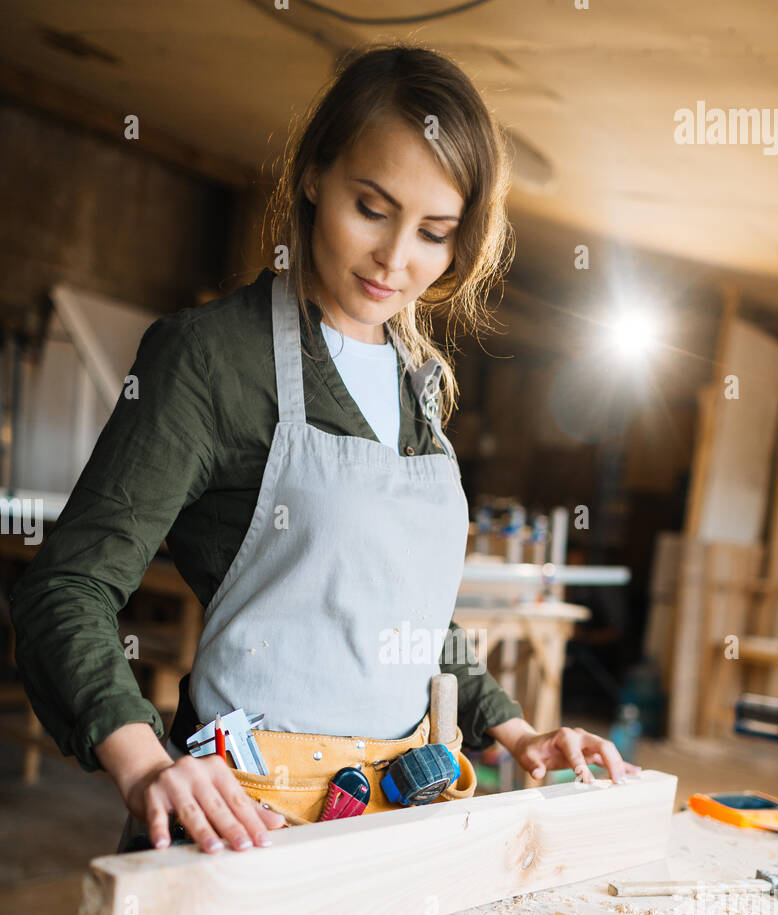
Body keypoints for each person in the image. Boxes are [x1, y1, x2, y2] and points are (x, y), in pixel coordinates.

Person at [11, 44, 638, 857]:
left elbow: (404, 617)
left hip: (394, 818)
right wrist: (143, 763)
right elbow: (66, 588)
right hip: (242, 820)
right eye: (371, 207)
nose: (395, 259)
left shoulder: (420, 382)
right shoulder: (211, 358)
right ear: (313, 175)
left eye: (434, 233)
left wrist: (517, 733)